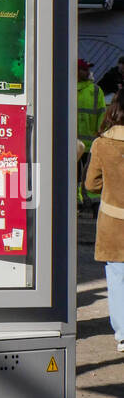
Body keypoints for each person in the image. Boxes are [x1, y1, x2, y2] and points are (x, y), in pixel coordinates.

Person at [84, 91, 124, 354]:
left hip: (114, 221)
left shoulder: (101, 144)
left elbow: (91, 185)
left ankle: (122, 334)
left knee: (117, 276)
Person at [77, 59, 105, 208]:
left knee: (92, 174)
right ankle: (77, 202)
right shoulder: (68, 88)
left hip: (90, 141)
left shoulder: (95, 90)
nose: (87, 73)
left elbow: (102, 113)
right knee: (75, 175)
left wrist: (101, 133)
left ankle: (94, 204)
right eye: (84, 70)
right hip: (76, 142)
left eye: (87, 70)